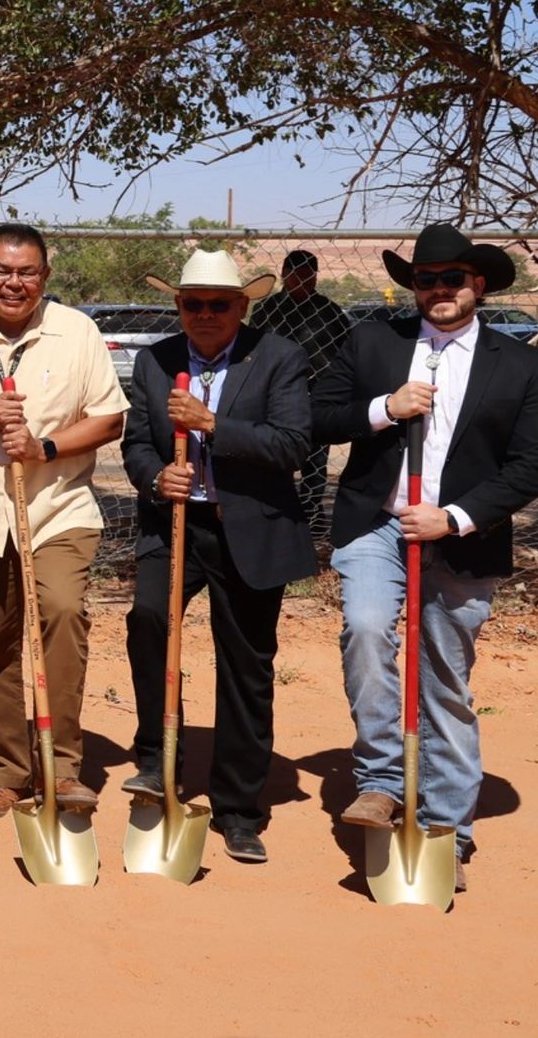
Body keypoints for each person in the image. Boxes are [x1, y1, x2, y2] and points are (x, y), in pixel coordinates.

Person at [316, 223, 538, 892]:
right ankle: (383, 782)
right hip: (378, 523)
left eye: (453, 278)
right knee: (365, 631)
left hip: (461, 537)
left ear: (477, 285)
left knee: (443, 675)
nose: (439, 290)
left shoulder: (520, 365)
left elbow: (531, 466)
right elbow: (319, 415)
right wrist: (384, 408)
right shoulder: (374, 341)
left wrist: (450, 518)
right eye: (426, 279)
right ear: (412, 286)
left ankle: (450, 819)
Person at [0, 223, 128, 820]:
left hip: (57, 509)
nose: (14, 283)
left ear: (45, 277)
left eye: (27, 272)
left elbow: (109, 418)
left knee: (62, 612)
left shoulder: (76, 331)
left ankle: (61, 769)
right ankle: (8, 773)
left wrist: (46, 446)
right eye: (2, 271)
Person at [118, 252, 313, 864]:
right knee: (149, 622)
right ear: (177, 307)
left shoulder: (278, 357)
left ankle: (238, 810)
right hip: (175, 524)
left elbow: (292, 443)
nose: (204, 314)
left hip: (248, 528)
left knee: (246, 667)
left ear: (242, 306)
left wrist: (212, 424)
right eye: (191, 303)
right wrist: (156, 480)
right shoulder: (156, 360)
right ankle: (157, 761)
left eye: (217, 304)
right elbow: (136, 444)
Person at [248, 248, 350, 546]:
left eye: (309, 274)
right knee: (272, 453)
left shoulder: (328, 310)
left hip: (317, 393)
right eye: (297, 274)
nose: (304, 280)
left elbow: (342, 351)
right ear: (285, 275)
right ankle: (275, 512)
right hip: (273, 392)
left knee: (315, 458)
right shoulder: (268, 309)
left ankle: (312, 512)